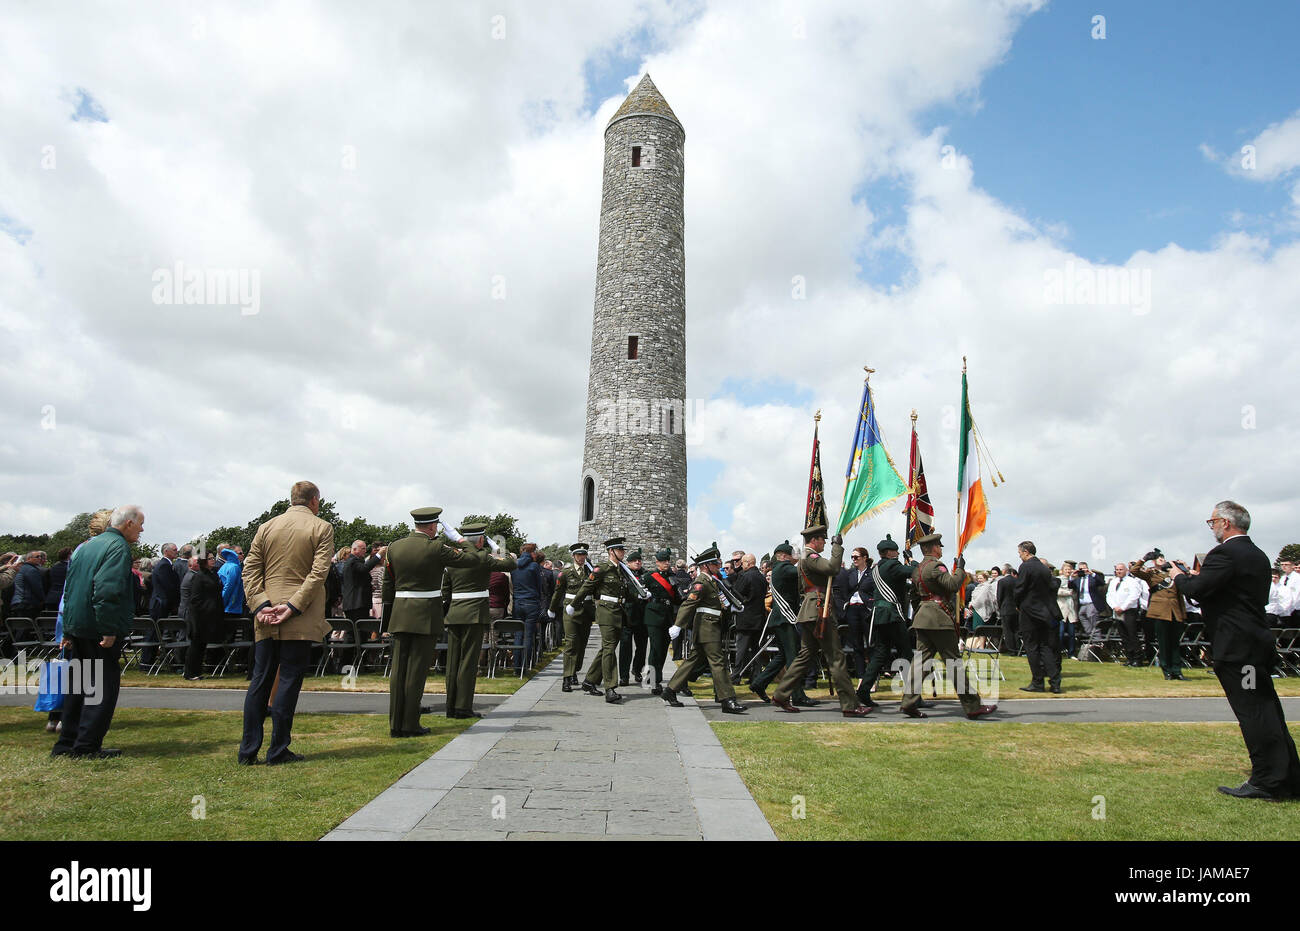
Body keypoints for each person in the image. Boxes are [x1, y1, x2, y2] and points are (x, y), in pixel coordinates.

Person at [1170, 500, 1300, 800]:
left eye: (1212, 521)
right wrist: (1195, 577)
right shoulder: (1256, 554)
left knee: (1254, 713)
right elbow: (1224, 590)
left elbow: (1198, 592)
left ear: (1226, 523)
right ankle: (1286, 774)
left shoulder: (1225, 553)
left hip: (1237, 647)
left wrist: (1178, 578)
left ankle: (1267, 780)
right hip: (1254, 642)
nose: (1212, 526)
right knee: (1267, 710)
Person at [238, 481, 334, 765]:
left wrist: (261, 605)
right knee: (289, 681)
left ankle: (248, 750)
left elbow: (250, 570)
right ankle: (278, 749)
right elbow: (318, 573)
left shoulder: (267, 527)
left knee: (260, 681)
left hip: (266, 614)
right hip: (298, 615)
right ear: (315, 501)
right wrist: (292, 606)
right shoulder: (321, 527)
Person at [52, 505, 143, 759]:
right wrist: (108, 628)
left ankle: (66, 743)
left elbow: (70, 591)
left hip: (78, 626)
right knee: (101, 688)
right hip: (97, 629)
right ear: (128, 524)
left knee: (78, 687)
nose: (142, 529)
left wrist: (68, 629)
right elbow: (106, 590)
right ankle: (87, 745)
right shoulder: (118, 548)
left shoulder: (87, 546)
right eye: (140, 524)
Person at [382, 507, 476, 736]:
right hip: (425, 616)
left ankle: (396, 724)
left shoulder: (395, 547)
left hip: (400, 614)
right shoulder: (436, 547)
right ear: (433, 526)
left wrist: (387, 620)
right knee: (416, 671)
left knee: (399, 672)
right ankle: (410, 724)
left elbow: (388, 585)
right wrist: (461, 539)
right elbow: (472, 558)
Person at [770, 525, 871, 718]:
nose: (825, 542)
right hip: (819, 609)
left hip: (812, 609)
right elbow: (832, 568)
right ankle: (850, 704)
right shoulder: (811, 557)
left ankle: (782, 694)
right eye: (823, 540)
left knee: (805, 655)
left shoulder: (805, 559)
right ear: (814, 540)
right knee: (836, 657)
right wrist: (837, 547)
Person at [902, 533, 997, 718]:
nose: (941, 549)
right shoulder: (937, 566)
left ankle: (909, 701)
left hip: (923, 618)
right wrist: (960, 569)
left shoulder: (918, 569)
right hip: (939, 619)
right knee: (954, 663)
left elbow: (913, 595)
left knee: (920, 663)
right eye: (939, 546)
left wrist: (923, 611)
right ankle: (972, 705)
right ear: (934, 548)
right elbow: (953, 584)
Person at [440, 520, 515, 719]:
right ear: (481, 540)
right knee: (468, 662)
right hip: (474, 615)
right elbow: (510, 563)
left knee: (453, 661)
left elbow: (445, 591)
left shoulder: (453, 558)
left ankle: (451, 706)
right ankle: (463, 707)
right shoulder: (483, 557)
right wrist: (498, 547)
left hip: (455, 615)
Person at [660, 544, 745, 714]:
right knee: (718, 662)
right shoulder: (701, 582)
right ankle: (727, 700)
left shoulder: (711, 581)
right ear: (705, 565)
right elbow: (688, 604)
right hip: (707, 626)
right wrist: (678, 625)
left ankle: (670, 690)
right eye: (715, 564)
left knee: (693, 660)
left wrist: (729, 608)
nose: (718, 567)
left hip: (710, 625)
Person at [751, 541, 816, 707]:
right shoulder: (784, 568)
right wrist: (807, 556)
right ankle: (798, 694)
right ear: (785, 556)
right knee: (794, 657)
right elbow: (803, 572)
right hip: (785, 617)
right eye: (793, 555)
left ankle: (760, 683)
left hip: (780, 618)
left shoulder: (779, 569)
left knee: (783, 656)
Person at [572, 537, 635, 703]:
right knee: (609, 649)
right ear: (611, 552)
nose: (623, 553)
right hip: (606, 612)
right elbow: (586, 587)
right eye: (620, 550)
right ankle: (610, 688)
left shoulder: (621, 570)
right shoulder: (602, 569)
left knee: (608, 648)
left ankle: (589, 681)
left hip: (618, 612)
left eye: (623, 550)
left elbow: (625, 593)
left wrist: (643, 595)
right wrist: (574, 604)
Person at [855, 535, 912, 708]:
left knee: (880, 654)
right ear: (890, 553)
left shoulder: (876, 569)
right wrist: (911, 560)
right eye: (895, 551)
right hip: (892, 614)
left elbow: (896, 584)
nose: (896, 553)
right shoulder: (894, 565)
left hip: (878, 614)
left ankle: (863, 690)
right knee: (907, 654)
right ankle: (912, 696)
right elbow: (914, 572)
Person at [1130, 552, 1187, 680]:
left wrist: (1181, 566)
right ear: (1154, 562)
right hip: (1160, 611)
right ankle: (1166, 670)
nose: (1161, 559)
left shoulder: (1172, 574)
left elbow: (1182, 588)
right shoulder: (1151, 574)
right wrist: (1144, 559)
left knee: (1175, 643)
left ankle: (1177, 671)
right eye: (1158, 558)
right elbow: (1134, 570)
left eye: (1162, 558)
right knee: (1163, 643)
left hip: (1175, 611)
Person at [1014, 541, 1062, 693]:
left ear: (1026, 552)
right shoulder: (1043, 568)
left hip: (1030, 612)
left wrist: (1018, 603)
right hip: (1045, 611)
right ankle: (1055, 681)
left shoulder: (1026, 567)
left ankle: (1038, 681)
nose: (1020, 556)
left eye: (1020, 553)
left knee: (1032, 647)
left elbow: (1020, 588)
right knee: (1046, 647)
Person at [550, 543, 595, 692]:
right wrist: (552, 609)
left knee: (582, 644)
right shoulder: (566, 573)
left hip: (587, 611)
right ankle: (567, 678)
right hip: (571, 611)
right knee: (571, 644)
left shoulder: (591, 571)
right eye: (579, 555)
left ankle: (575, 670)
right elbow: (558, 592)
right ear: (573, 556)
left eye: (584, 555)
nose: (582, 558)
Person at [641, 548, 682, 694]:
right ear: (657, 562)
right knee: (655, 648)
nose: (666, 563)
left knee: (664, 648)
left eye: (668, 561)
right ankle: (653, 681)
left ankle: (656, 676)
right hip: (653, 615)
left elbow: (677, 598)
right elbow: (638, 590)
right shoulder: (650, 576)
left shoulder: (672, 576)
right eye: (663, 561)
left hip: (667, 615)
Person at [834, 547, 875, 680]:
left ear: (864, 558)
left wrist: (871, 604)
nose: (853, 559)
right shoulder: (850, 573)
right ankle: (861, 676)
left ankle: (872, 677)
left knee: (870, 644)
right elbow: (843, 591)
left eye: (856, 557)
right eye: (852, 557)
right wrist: (845, 605)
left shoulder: (872, 573)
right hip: (852, 609)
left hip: (866, 609)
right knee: (856, 645)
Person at [183, 552, 226, 680]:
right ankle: (190, 672)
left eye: (213, 558)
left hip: (210, 614)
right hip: (200, 616)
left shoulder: (212, 574)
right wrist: (205, 609)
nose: (213, 560)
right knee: (196, 644)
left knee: (202, 645)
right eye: (210, 559)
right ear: (204, 561)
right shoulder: (199, 576)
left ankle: (197, 671)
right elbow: (195, 599)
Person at [730, 553, 767, 682]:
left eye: (744, 562)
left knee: (741, 649)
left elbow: (736, 592)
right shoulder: (762, 578)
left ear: (749, 563)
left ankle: (736, 676)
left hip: (746, 618)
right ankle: (756, 676)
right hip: (759, 618)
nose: (742, 565)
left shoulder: (745, 577)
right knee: (756, 649)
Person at [511, 543, 546, 673]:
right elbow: (539, 585)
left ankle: (516, 667)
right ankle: (524, 666)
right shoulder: (534, 566)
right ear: (532, 553)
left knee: (518, 635)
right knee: (528, 636)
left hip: (518, 602)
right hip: (531, 602)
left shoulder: (514, 565)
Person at [617, 549, 650, 687]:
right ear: (628, 563)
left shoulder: (646, 575)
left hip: (641, 615)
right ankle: (623, 676)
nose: (638, 562)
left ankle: (637, 670)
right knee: (625, 647)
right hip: (626, 614)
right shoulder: (623, 573)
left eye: (639, 560)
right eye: (634, 561)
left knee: (642, 647)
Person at [1106, 560, 1148, 666]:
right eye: (1117, 570)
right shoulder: (1114, 582)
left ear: (1126, 570)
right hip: (1117, 611)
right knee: (1123, 635)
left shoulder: (1132, 581)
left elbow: (1134, 596)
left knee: (1132, 634)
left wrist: (1123, 607)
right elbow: (1109, 596)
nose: (1119, 571)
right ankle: (1129, 657)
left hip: (1129, 611)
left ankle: (1137, 659)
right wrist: (1114, 606)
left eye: (1121, 569)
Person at [340, 540, 379, 622]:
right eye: (363, 549)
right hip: (356, 604)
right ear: (354, 549)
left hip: (355, 604)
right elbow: (364, 569)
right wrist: (379, 555)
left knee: (355, 631)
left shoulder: (353, 562)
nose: (365, 551)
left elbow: (356, 580)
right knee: (358, 631)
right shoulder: (353, 561)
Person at [11, 550, 46, 620]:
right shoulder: (31, 570)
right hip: (26, 604)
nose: (40, 558)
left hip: (17, 602)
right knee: (28, 627)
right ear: (29, 559)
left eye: (41, 556)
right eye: (37, 557)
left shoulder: (22, 569)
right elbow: (37, 588)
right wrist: (43, 600)